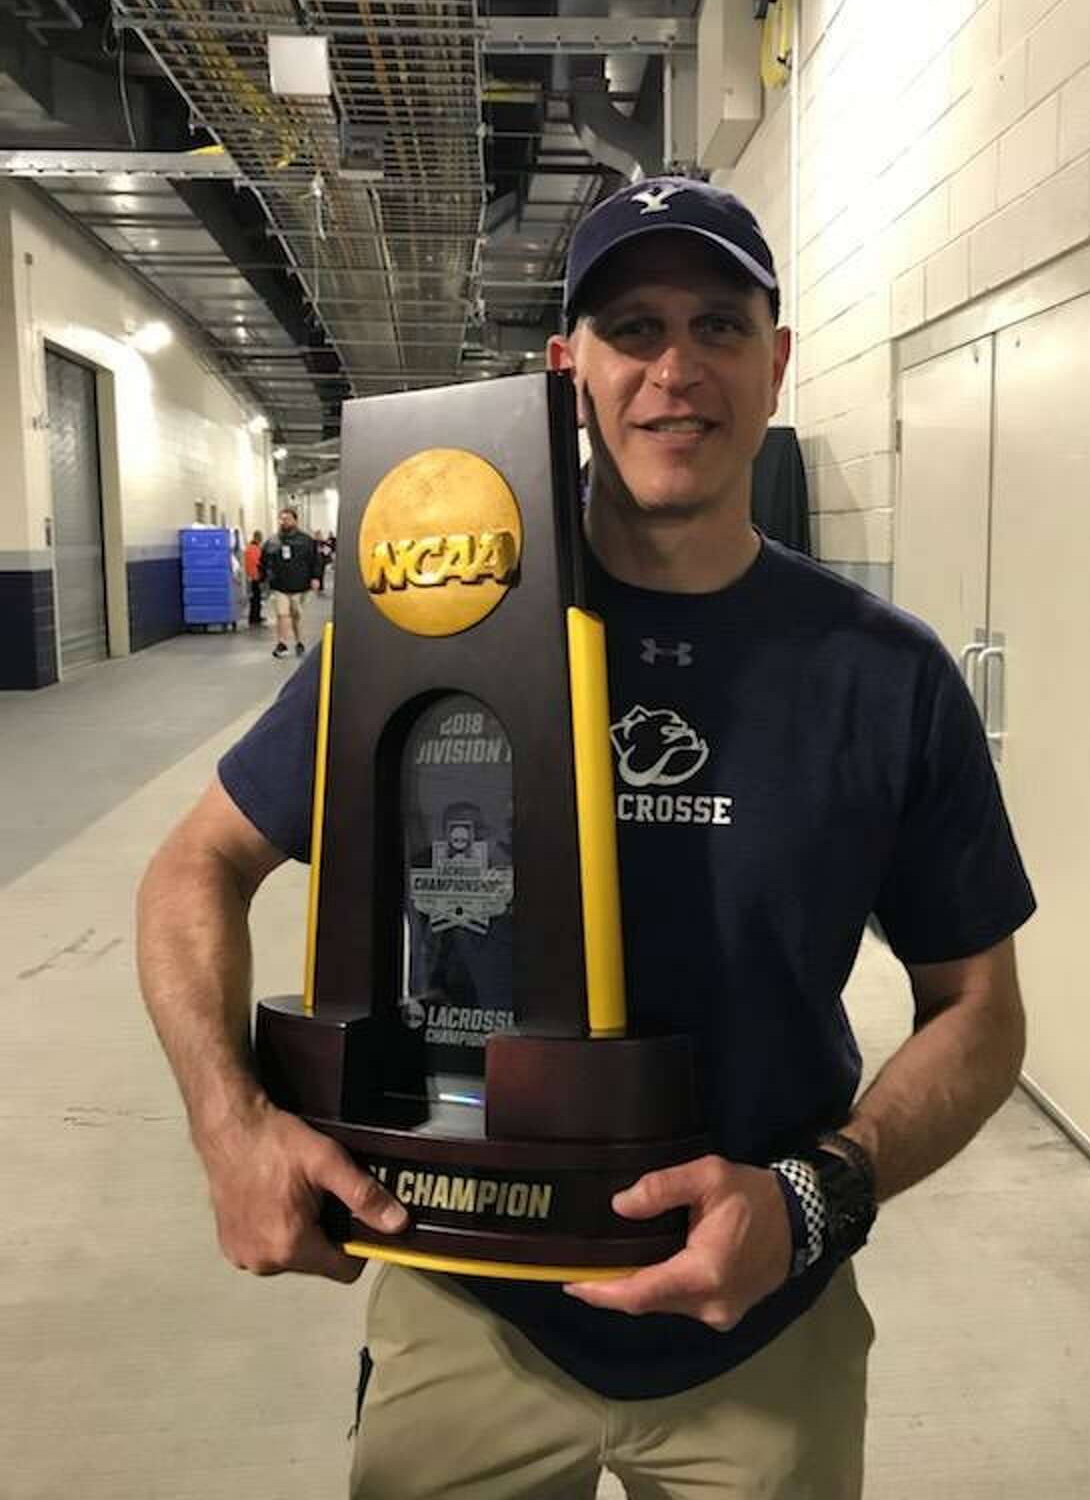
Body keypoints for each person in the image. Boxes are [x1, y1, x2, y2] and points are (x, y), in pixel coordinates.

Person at [137, 178, 1035, 1499]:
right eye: (633, 329)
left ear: (777, 361)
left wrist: (812, 1203)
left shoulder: (882, 678)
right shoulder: (426, 629)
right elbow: (192, 868)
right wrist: (229, 1123)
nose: (677, 371)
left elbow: (983, 1010)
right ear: (569, 371)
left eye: (719, 326)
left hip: (761, 1336)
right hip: (470, 1309)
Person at [260, 506, 320, 657]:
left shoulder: (306, 541)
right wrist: (264, 578)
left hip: (300, 586)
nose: (284, 522)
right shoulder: (273, 541)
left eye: (287, 519)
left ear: (295, 520)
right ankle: (282, 643)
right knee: (282, 614)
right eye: (282, 519)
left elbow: (315, 561)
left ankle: (299, 642)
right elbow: (264, 561)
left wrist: (315, 577)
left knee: (296, 615)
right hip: (279, 585)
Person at [243, 529, 264, 627]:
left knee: (255, 598)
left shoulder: (250, 547)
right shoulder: (254, 548)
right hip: (254, 576)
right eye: (260, 538)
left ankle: (255, 616)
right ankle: (254, 617)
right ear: (257, 538)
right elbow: (258, 561)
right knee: (256, 598)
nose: (261, 540)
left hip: (251, 576)